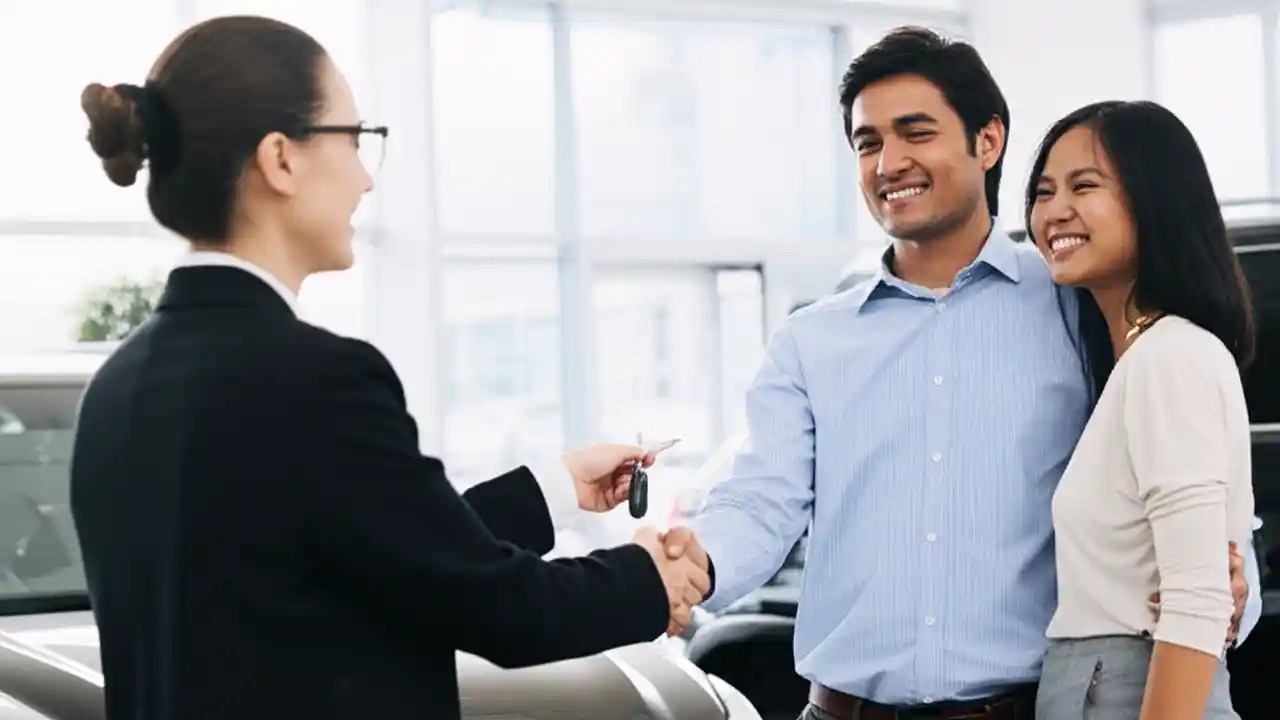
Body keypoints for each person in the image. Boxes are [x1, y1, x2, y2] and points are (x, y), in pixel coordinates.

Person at [69, 15, 707, 720]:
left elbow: (368, 553)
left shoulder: (114, 388)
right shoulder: (315, 380)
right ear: (281, 158)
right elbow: (497, 609)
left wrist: (553, 489)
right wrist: (649, 575)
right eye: (355, 139)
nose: (367, 180)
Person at [659, 27, 1260, 720]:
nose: (890, 161)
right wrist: (688, 566)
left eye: (916, 132)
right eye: (868, 142)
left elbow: (1185, 485)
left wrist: (1227, 580)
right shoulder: (810, 342)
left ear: (988, 141)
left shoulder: (1082, 309)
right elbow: (760, 503)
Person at [1026, 101, 1254, 719]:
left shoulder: (1169, 357)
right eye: (1043, 192)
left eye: (1084, 186)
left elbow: (1199, 598)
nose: (1054, 211)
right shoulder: (1139, 360)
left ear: (1154, 199)